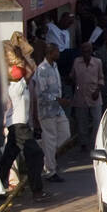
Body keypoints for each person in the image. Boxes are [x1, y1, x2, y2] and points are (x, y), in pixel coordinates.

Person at [0, 65, 49, 202]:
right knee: (36, 155)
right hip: (19, 127)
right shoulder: (15, 87)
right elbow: (30, 70)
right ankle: (37, 191)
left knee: (8, 158)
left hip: (16, 126)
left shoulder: (18, 85)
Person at [33, 44, 71, 183]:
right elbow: (41, 93)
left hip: (57, 109)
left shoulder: (54, 66)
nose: (59, 54)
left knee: (65, 133)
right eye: (56, 51)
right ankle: (50, 171)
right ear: (50, 53)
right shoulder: (42, 69)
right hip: (46, 110)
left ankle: (42, 150)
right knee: (50, 138)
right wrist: (58, 99)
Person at [70, 41, 104, 153]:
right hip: (80, 96)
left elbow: (101, 79)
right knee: (82, 121)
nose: (86, 53)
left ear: (91, 51)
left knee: (96, 121)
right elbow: (73, 77)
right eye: (84, 51)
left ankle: (96, 142)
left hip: (95, 95)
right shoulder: (76, 62)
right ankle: (83, 143)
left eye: (88, 51)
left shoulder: (97, 62)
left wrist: (97, 91)